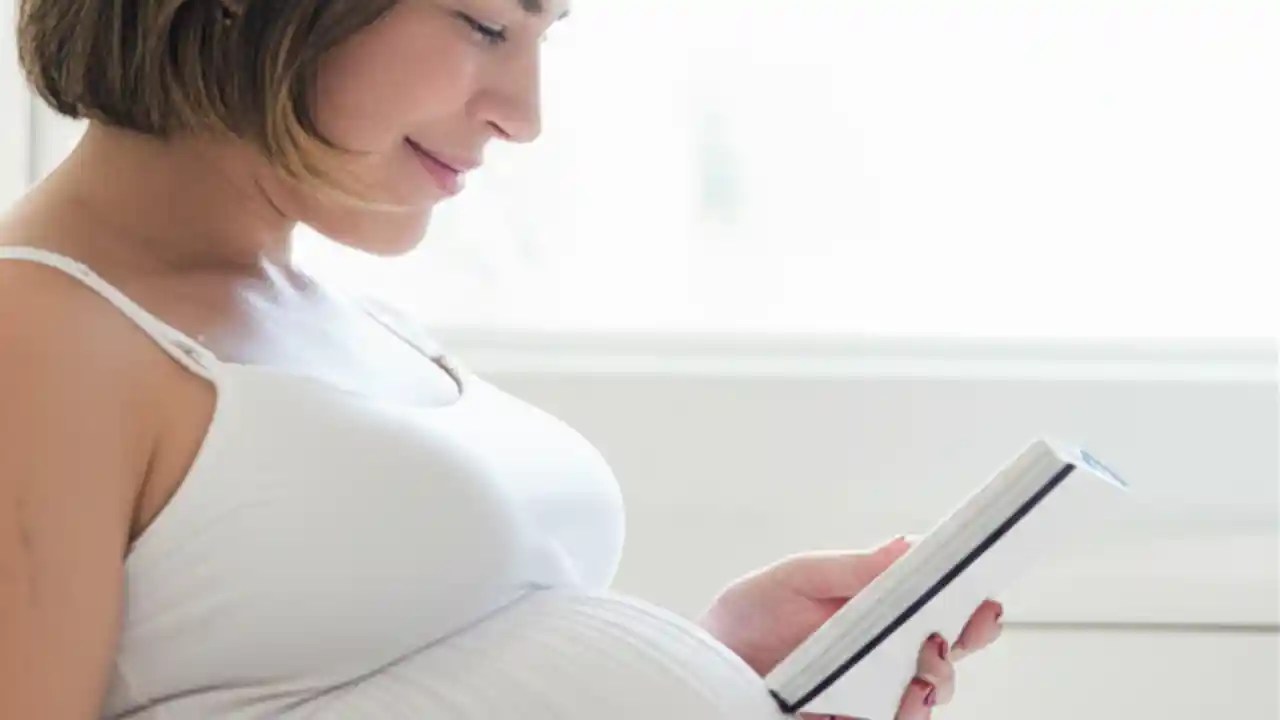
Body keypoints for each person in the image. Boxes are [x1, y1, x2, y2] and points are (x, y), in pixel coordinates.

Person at [0, 1, 1003, 718]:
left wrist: (722, 668)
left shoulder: (341, 317)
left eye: (543, 36)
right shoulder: (38, 331)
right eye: (484, 26)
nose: (522, 115)